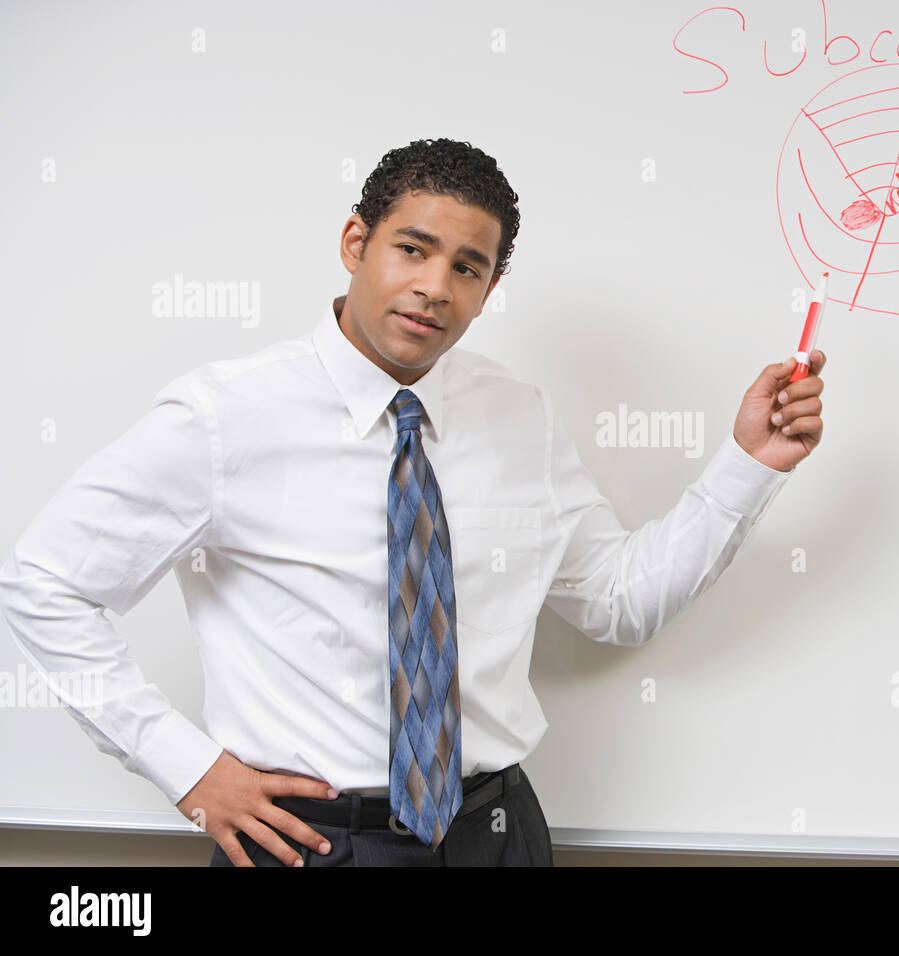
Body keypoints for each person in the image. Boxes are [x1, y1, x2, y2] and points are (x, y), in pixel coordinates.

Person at [0, 137, 827, 867]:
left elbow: (616, 601)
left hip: (497, 834)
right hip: (311, 844)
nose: (435, 287)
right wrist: (186, 769)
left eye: (467, 267)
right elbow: (44, 581)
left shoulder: (518, 417)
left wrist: (750, 463)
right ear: (356, 242)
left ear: (490, 283)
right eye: (412, 249)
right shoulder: (224, 417)